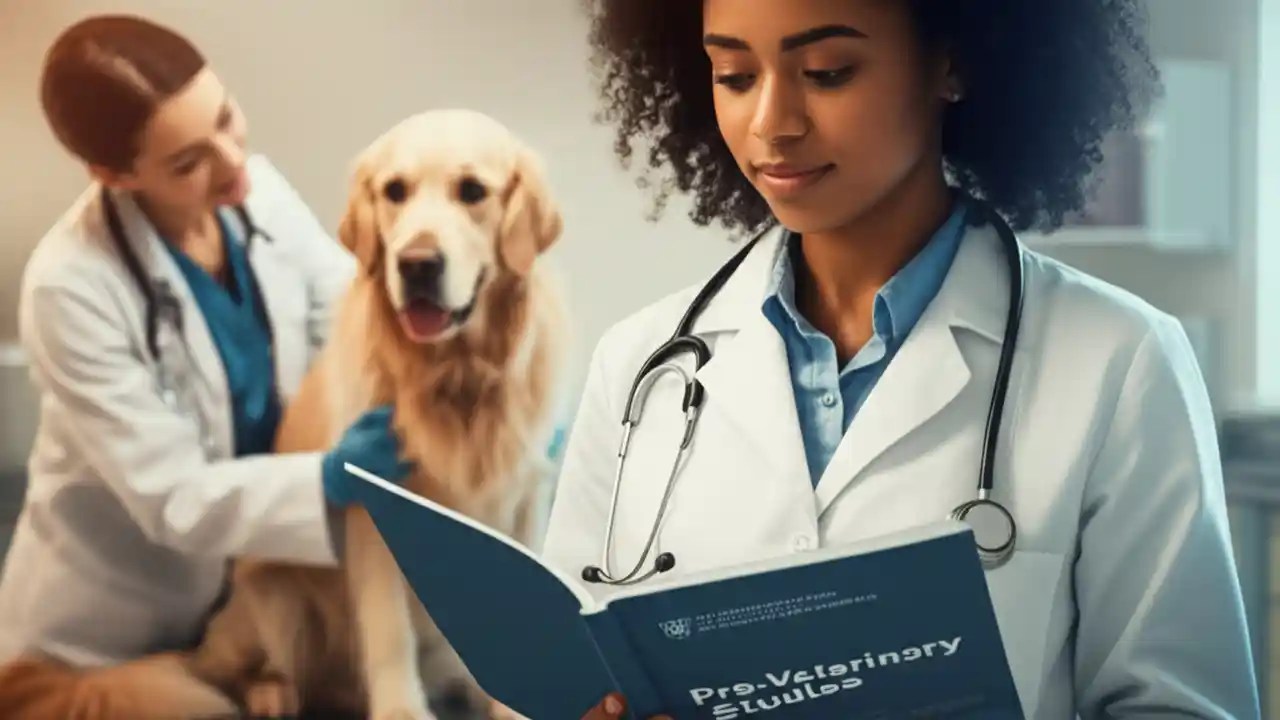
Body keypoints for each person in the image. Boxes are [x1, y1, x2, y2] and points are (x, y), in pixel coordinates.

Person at [547, 1, 1261, 718]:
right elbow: (561, 674)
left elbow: (1181, 706)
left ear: (950, 63)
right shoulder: (639, 366)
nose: (772, 122)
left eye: (827, 72)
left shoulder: (1120, 360)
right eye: (734, 75)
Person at [0, 13, 411, 681]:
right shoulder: (70, 287)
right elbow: (175, 500)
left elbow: (352, 319)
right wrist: (327, 478)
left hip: (248, 608)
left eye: (225, 117)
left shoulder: (261, 198)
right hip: (114, 633)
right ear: (114, 174)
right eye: (188, 162)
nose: (231, 167)